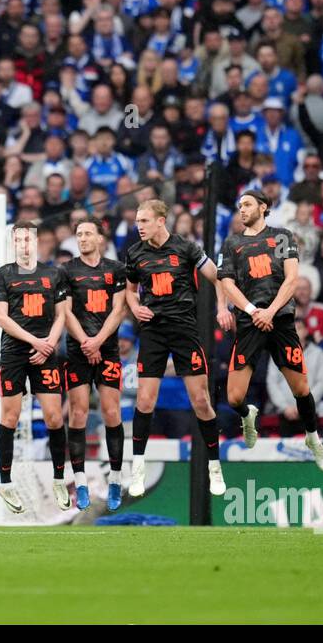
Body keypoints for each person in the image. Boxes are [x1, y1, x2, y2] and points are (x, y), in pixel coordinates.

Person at [218, 190, 323, 471]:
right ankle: (248, 415)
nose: (241, 210)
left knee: (302, 389)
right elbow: (226, 283)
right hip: (248, 321)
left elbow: (292, 279)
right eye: (239, 205)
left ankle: (313, 438)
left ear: (263, 207)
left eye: (247, 204)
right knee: (233, 398)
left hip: (279, 320)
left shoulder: (281, 236)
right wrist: (252, 311)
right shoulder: (231, 243)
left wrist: (269, 312)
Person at [125, 199, 229, 497]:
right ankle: (138, 467)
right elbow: (130, 292)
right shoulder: (135, 254)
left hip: (184, 329)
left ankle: (214, 465)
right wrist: (136, 308)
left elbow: (218, 277)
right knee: (145, 401)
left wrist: (222, 307)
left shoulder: (186, 249)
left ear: (161, 220)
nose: (139, 226)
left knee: (200, 401)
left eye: (144, 221)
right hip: (153, 332)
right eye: (137, 221)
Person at [0, 220, 70, 514]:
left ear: (36, 242)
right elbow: (2, 319)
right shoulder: (1, 275)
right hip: (14, 353)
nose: (24, 244)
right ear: (14, 242)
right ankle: (6, 482)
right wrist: (35, 342)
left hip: (46, 350)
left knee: (53, 417)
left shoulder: (54, 274)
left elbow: (62, 314)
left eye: (28, 239)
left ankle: (60, 478)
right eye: (19, 239)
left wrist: (47, 342)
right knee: (10, 417)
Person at [61, 220, 128, 510]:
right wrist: (86, 342)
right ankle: (80, 480)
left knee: (111, 411)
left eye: (88, 233)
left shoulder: (115, 269)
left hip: (108, 349)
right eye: (78, 234)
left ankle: (115, 477)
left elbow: (119, 310)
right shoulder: (66, 271)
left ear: (100, 238)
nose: (83, 238)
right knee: (77, 413)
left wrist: (98, 341)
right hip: (78, 350)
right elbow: (64, 313)